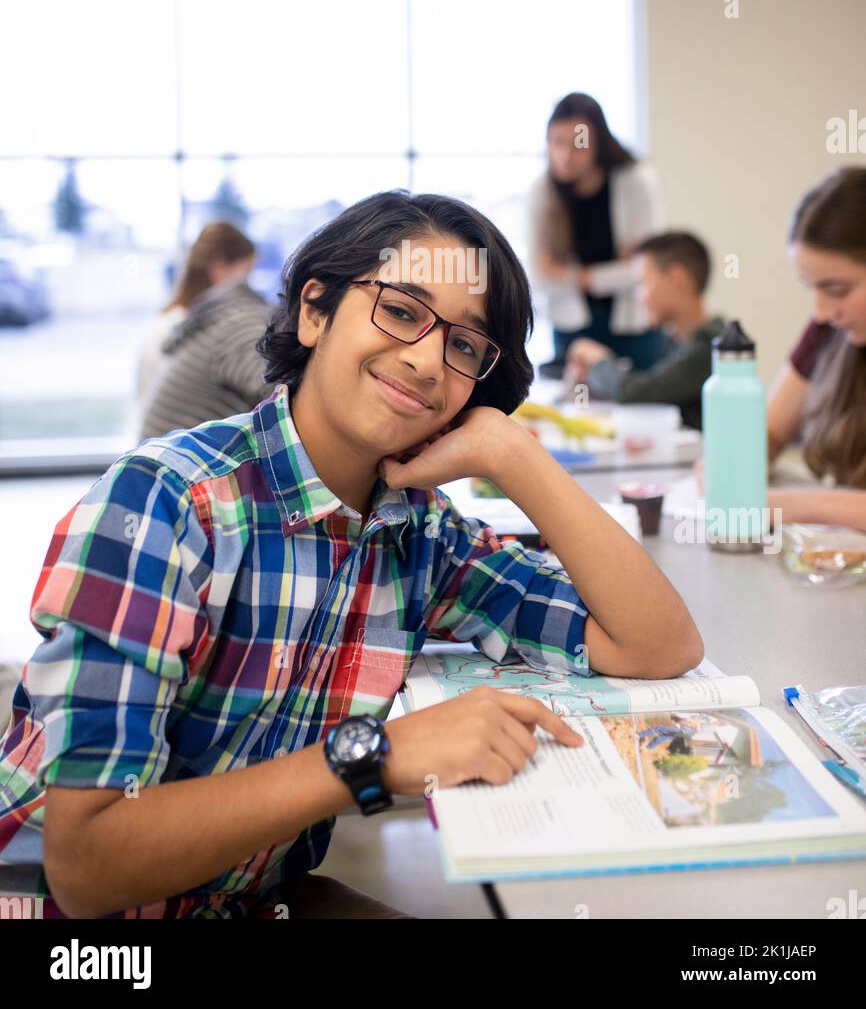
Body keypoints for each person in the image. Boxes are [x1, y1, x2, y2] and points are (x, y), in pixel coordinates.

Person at [0, 190, 702, 920]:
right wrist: (374, 756)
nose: (429, 360)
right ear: (313, 311)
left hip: (249, 898)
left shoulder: (418, 534)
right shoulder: (166, 502)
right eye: (401, 310)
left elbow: (659, 641)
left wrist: (511, 453)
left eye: (464, 346)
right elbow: (86, 866)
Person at [527, 92, 668, 374]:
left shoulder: (636, 181)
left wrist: (575, 275)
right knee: (577, 409)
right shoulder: (543, 191)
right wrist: (614, 270)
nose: (565, 156)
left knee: (639, 403)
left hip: (633, 327)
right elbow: (540, 275)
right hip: (572, 328)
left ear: (598, 144)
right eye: (556, 143)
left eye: (577, 145)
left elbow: (644, 270)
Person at [764, 167, 866, 532]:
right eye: (812, 288)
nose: (821, 311)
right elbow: (770, 434)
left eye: (837, 290)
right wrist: (730, 469)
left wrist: (784, 505)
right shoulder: (829, 330)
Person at [565, 232, 725, 430]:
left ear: (678, 280)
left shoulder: (713, 347)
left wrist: (599, 362)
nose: (639, 297)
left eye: (642, 283)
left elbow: (639, 393)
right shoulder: (674, 341)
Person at [138, 231, 271, 440]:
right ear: (218, 266)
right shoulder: (232, 325)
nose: (249, 284)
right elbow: (277, 390)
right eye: (247, 272)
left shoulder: (188, 321)